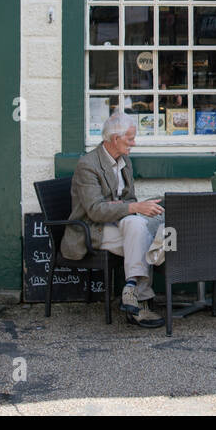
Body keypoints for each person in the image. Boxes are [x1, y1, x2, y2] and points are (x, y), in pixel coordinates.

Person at [60, 112, 166, 328]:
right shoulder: (88, 165)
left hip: (118, 224)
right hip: (91, 229)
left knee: (145, 227)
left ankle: (130, 287)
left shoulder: (124, 160)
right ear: (115, 139)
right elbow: (95, 211)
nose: (134, 143)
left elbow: (129, 200)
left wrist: (136, 206)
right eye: (130, 138)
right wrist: (133, 207)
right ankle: (141, 302)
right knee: (145, 241)